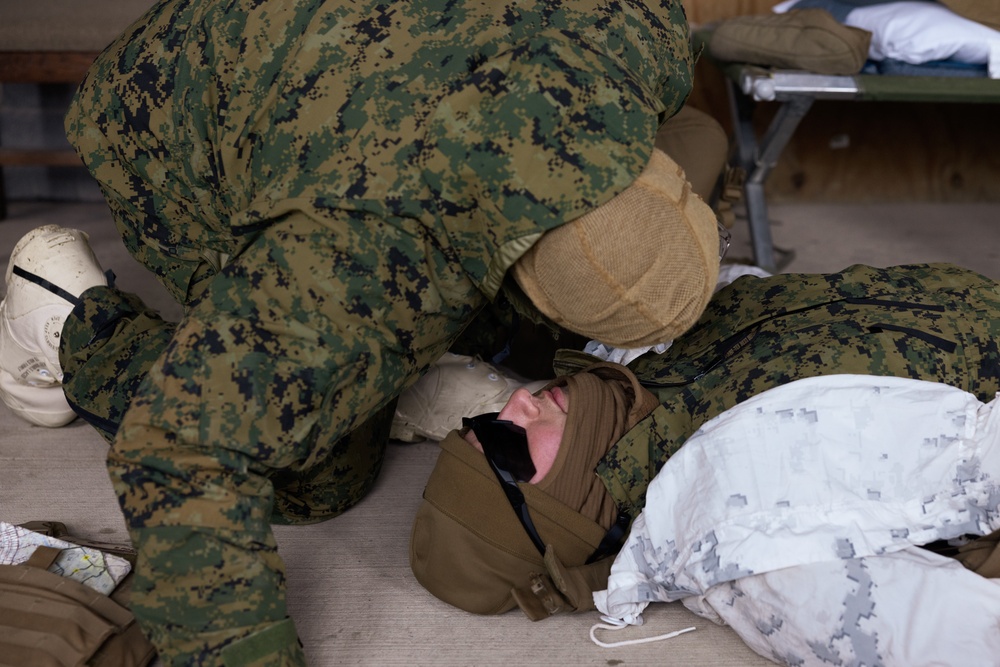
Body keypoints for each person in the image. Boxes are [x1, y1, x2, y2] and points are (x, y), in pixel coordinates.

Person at [0, 1, 725, 663]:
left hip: (329, 46)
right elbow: (177, 446)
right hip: (173, 110)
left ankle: (403, 371)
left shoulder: (640, 33)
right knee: (313, 473)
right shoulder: (362, 258)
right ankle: (65, 313)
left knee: (490, 340)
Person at [410, 261, 1000, 618]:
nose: (516, 403)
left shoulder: (629, 389)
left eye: (482, 423)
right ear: (562, 518)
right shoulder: (736, 497)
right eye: (505, 444)